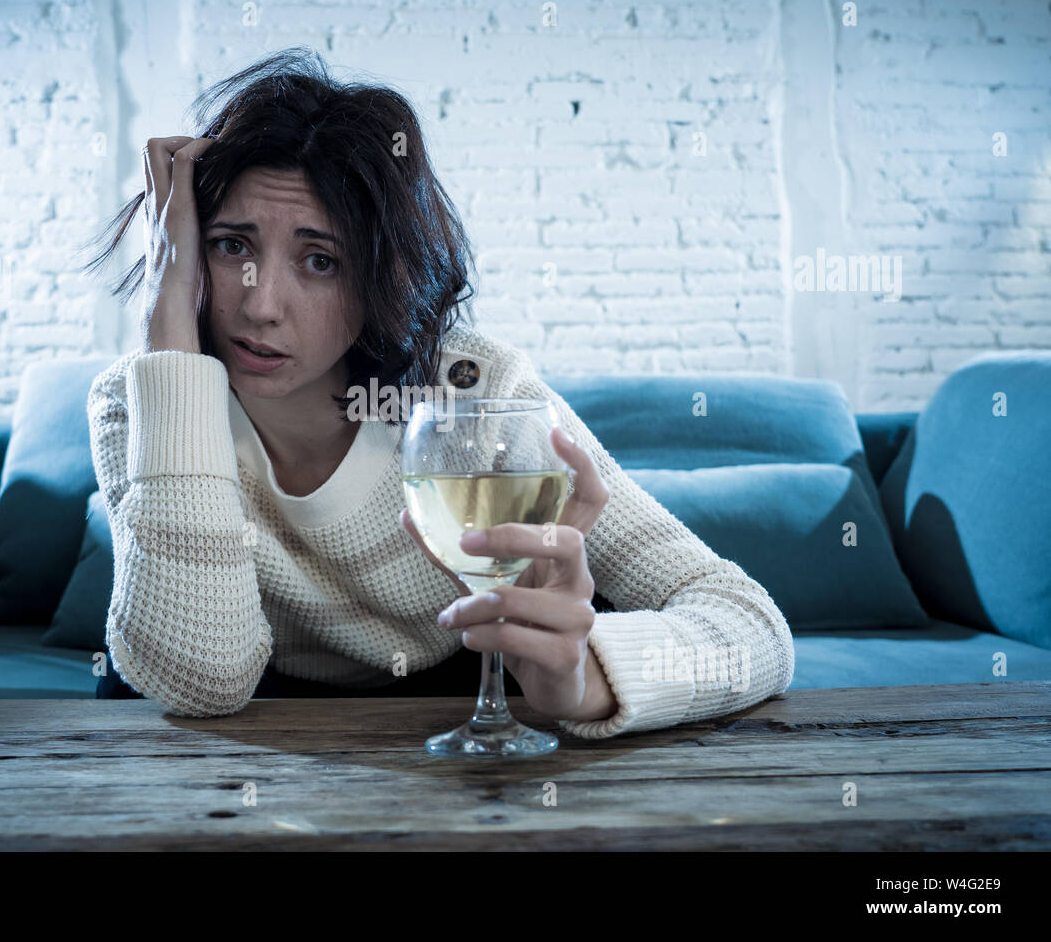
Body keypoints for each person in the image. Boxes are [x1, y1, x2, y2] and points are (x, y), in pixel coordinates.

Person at [82, 47, 794, 738]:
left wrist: (584, 682)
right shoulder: (141, 397)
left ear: (381, 273)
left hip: (444, 720)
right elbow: (203, 680)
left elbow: (750, 623)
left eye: (320, 260)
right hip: (243, 737)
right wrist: (166, 315)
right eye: (231, 245)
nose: (261, 304)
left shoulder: (477, 398)